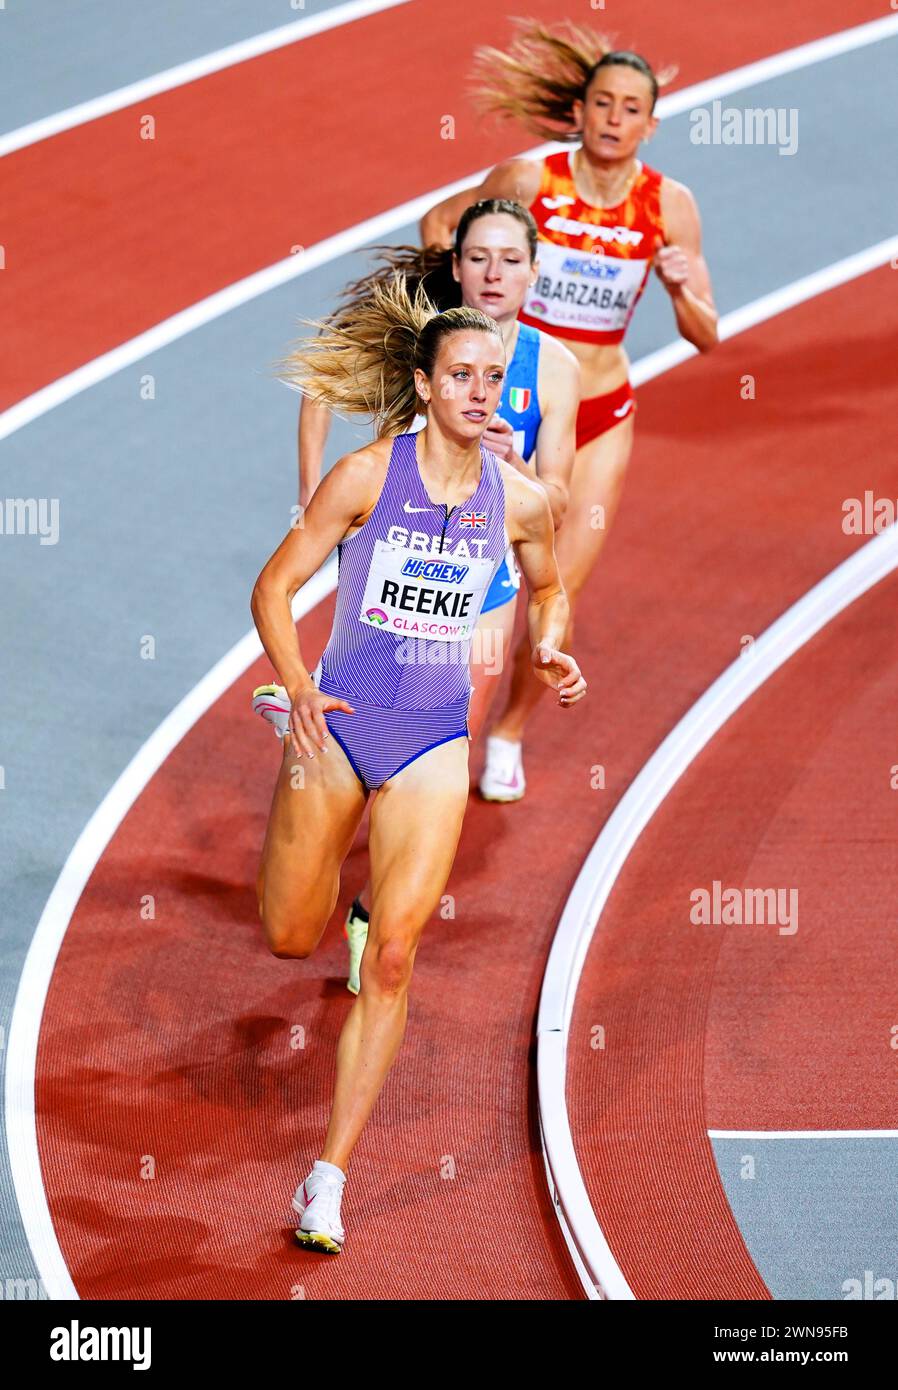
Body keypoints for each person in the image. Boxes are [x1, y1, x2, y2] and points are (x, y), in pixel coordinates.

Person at [250, 274, 586, 1252]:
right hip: (340, 717)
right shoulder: (363, 477)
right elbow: (274, 588)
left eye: (493, 378)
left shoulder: (517, 498)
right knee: (285, 933)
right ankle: (294, 759)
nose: (483, 392)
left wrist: (554, 642)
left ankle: (326, 1178)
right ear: (426, 385)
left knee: (395, 954)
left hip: (436, 734)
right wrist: (298, 683)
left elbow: (549, 587)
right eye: (464, 377)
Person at [266, 198, 580, 994]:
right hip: (402, 545)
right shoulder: (432, 342)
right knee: (383, 701)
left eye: (509, 260)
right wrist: (310, 491)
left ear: (533, 274)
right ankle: (320, 760)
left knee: (447, 730)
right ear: (456, 263)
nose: (493, 273)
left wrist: (521, 473)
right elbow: (320, 377)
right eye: (478, 257)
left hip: (495, 558)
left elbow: (560, 500)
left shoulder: (551, 366)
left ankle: (380, 914)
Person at [421, 20, 718, 800]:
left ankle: (509, 730)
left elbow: (707, 336)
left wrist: (683, 286)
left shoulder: (669, 205)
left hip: (600, 414)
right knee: (464, 578)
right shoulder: (531, 180)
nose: (615, 118)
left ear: (650, 125)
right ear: (579, 111)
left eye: (631, 109)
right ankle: (428, 723)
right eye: (603, 103)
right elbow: (438, 227)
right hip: (505, 405)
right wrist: (455, 326)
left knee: (556, 589)